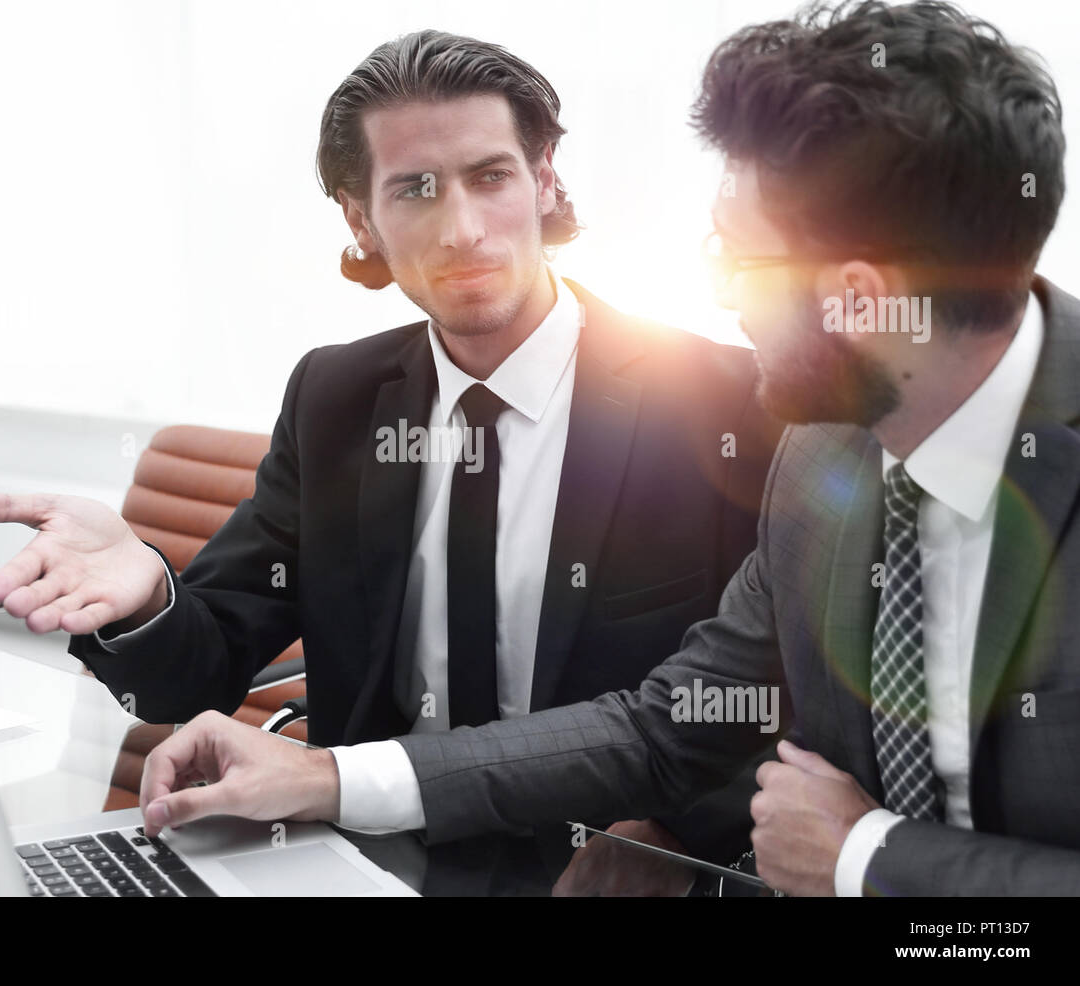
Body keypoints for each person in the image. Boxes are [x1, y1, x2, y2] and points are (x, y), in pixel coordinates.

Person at [130, 1, 1080, 895]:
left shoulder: (753, 417)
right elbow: (666, 725)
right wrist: (332, 778)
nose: (722, 297)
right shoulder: (829, 449)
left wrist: (867, 856)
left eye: (737, 257)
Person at [0, 30, 781, 894]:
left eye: (491, 176)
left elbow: (775, 692)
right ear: (363, 219)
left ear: (543, 180)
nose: (463, 228)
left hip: (589, 865)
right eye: (416, 190)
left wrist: (671, 837)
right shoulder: (336, 397)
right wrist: (147, 597)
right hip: (360, 852)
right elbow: (204, 664)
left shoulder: (722, 402)